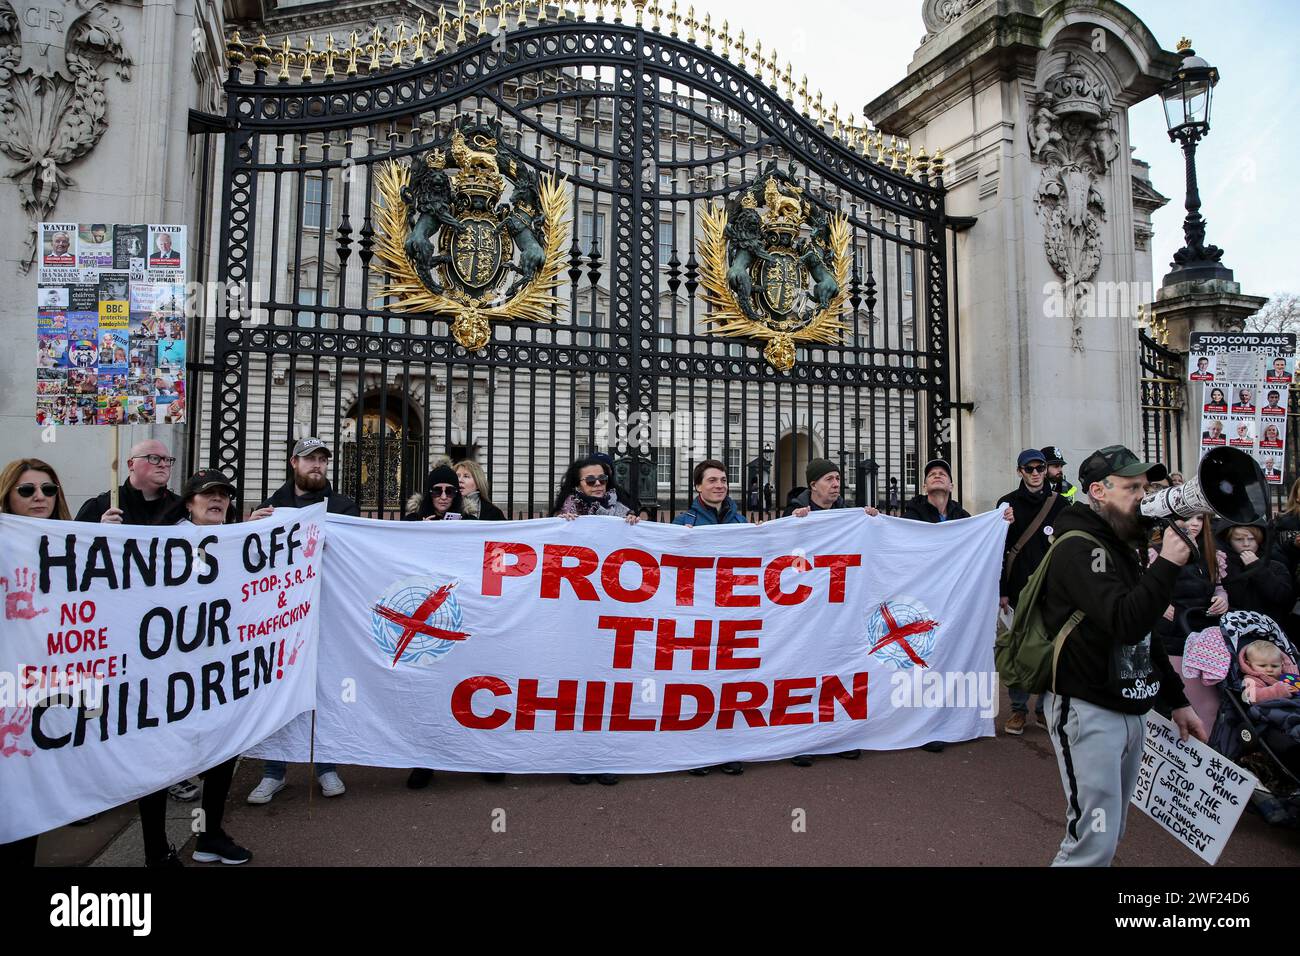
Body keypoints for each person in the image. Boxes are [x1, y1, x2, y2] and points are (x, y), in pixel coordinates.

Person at [1039, 445, 1205, 867]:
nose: (1143, 496)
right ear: (1098, 491)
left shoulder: (1118, 542)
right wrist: (1166, 563)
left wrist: (1178, 700)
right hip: (1089, 707)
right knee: (1091, 842)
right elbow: (1125, 621)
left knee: (1109, 833)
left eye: (1145, 487)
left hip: (1130, 705)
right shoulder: (1080, 547)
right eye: (1132, 487)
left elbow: (1144, 633)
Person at [134, 469, 255, 865]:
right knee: (159, 761)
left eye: (223, 494)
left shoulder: (233, 540)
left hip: (216, 671)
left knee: (222, 754)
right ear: (189, 502)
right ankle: (156, 851)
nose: (217, 500)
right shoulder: (162, 542)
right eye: (208, 495)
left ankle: (208, 835)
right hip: (169, 672)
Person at [244, 437, 355, 805]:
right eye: (310, 459)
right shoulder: (270, 507)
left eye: (323, 459)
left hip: (328, 613)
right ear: (294, 463)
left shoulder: (343, 506)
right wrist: (248, 528)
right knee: (279, 688)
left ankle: (326, 766)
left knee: (326, 690)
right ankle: (273, 772)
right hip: (282, 616)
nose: (317, 466)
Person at [549, 456, 639, 785]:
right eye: (591, 480)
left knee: (609, 683)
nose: (599, 484)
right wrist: (563, 529)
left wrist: (636, 528)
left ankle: (605, 754)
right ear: (577, 485)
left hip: (614, 613)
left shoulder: (624, 513)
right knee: (576, 683)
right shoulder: (562, 519)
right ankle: (578, 755)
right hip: (575, 615)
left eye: (603, 479)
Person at [0, 458, 72, 866]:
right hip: (8, 679)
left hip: (46, 686)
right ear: (9, 494)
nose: (40, 497)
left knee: (29, 796)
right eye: (27, 490)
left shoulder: (74, 541)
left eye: (48, 489)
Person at [784, 459, 878, 765]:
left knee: (838, 671)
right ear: (813, 485)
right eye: (829, 479)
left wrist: (873, 521)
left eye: (838, 478)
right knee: (803, 672)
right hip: (806, 611)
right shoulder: (796, 513)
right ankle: (800, 740)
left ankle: (836, 736)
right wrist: (793, 524)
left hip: (840, 610)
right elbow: (784, 560)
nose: (836, 483)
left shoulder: (850, 516)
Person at [675, 459, 746, 775]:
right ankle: (695, 751)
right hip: (697, 614)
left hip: (732, 612)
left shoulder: (741, 520)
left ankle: (727, 748)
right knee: (696, 682)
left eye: (724, 480)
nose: (720, 485)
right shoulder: (682, 521)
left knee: (729, 681)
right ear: (698, 486)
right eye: (713, 480)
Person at [997, 450, 1070, 734]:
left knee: (1050, 649)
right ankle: (1018, 709)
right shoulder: (1007, 503)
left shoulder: (1061, 504)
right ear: (1020, 472)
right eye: (1030, 468)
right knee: (1016, 649)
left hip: (1052, 589)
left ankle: (1043, 708)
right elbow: (998, 550)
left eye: (1041, 467)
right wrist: (1001, 590)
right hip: (1017, 588)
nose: (1037, 473)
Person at [75, 439, 183, 525]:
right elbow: (76, 545)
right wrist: (98, 530)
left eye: (167, 460)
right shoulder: (101, 506)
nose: (163, 464)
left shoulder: (182, 508)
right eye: (154, 458)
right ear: (131, 464)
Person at [901, 457, 969, 523]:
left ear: (951, 486)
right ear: (925, 487)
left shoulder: (962, 517)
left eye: (942, 474)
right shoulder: (910, 518)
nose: (937, 476)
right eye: (932, 474)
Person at [1239, 640, 1299, 704]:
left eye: (1274, 666)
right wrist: (1278, 691)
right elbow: (1251, 697)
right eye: (1262, 666)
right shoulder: (1251, 679)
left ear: (1282, 664)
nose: (1269, 669)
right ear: (1249, 664)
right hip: (1273, 708)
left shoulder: (1288, 672)